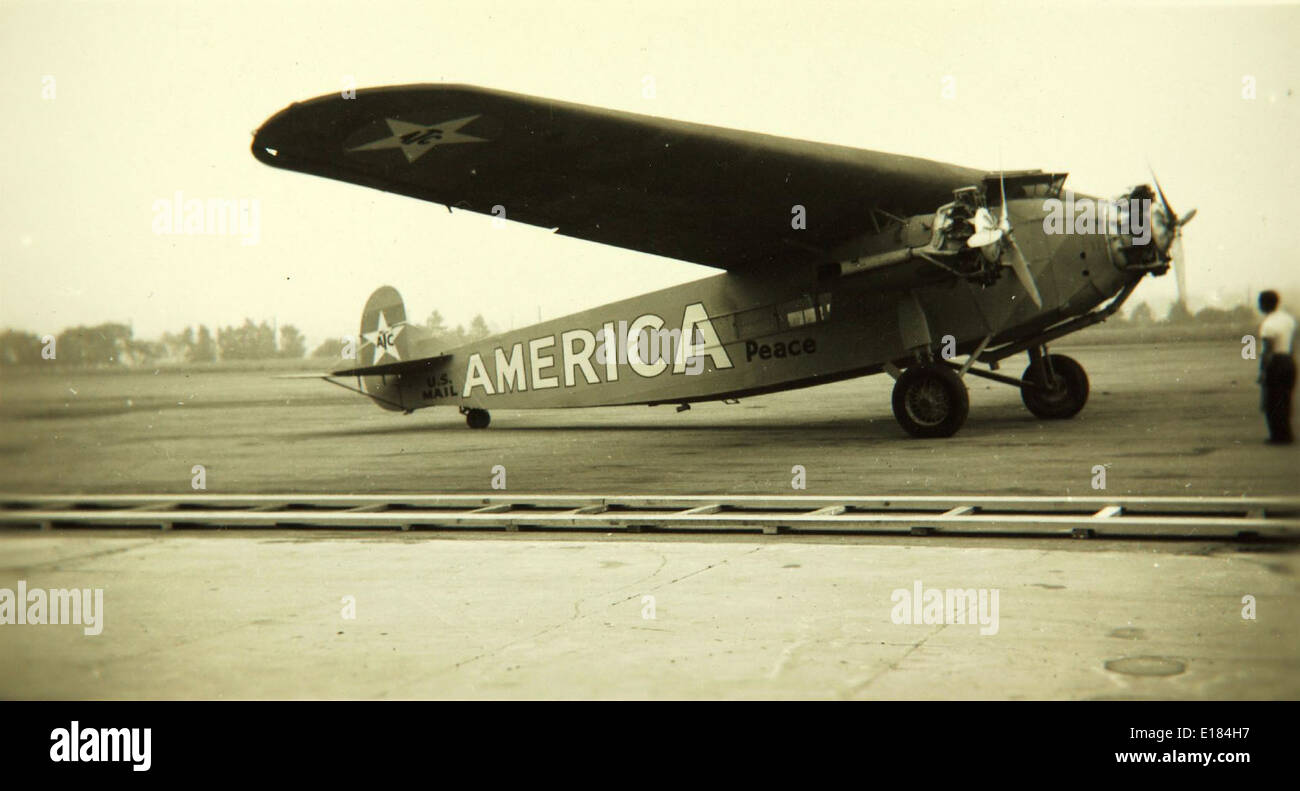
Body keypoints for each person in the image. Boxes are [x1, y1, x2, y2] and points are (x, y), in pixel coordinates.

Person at [1257, 290, 1296, 444]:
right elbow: (1292, 343)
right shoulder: (1288, 319)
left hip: (1276, 362)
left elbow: (1268, 350)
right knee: (1285, 399)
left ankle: (1278, 436)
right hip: (1288, 360)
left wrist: (1262, 371)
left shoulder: (1268, 324)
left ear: (1265, 304)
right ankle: (1286, 434)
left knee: (1273, 400)